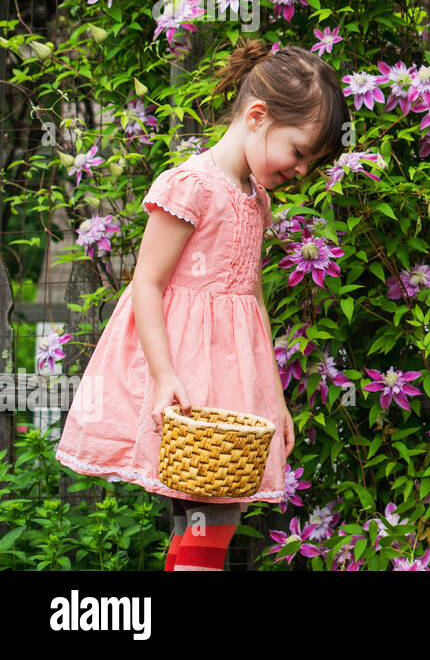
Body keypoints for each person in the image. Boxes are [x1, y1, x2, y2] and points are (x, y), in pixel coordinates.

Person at [56, 38, 347, 570]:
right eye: (300, 152)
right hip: (184, 373)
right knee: (206, 511)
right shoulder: (191, 185)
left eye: (313, 161)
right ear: (258, 116)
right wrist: (164, 377)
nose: (302, 170)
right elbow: (146, 283)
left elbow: (251, 292)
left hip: (232, 376)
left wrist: (275, 400)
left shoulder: (255, 199)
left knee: (220, 510)